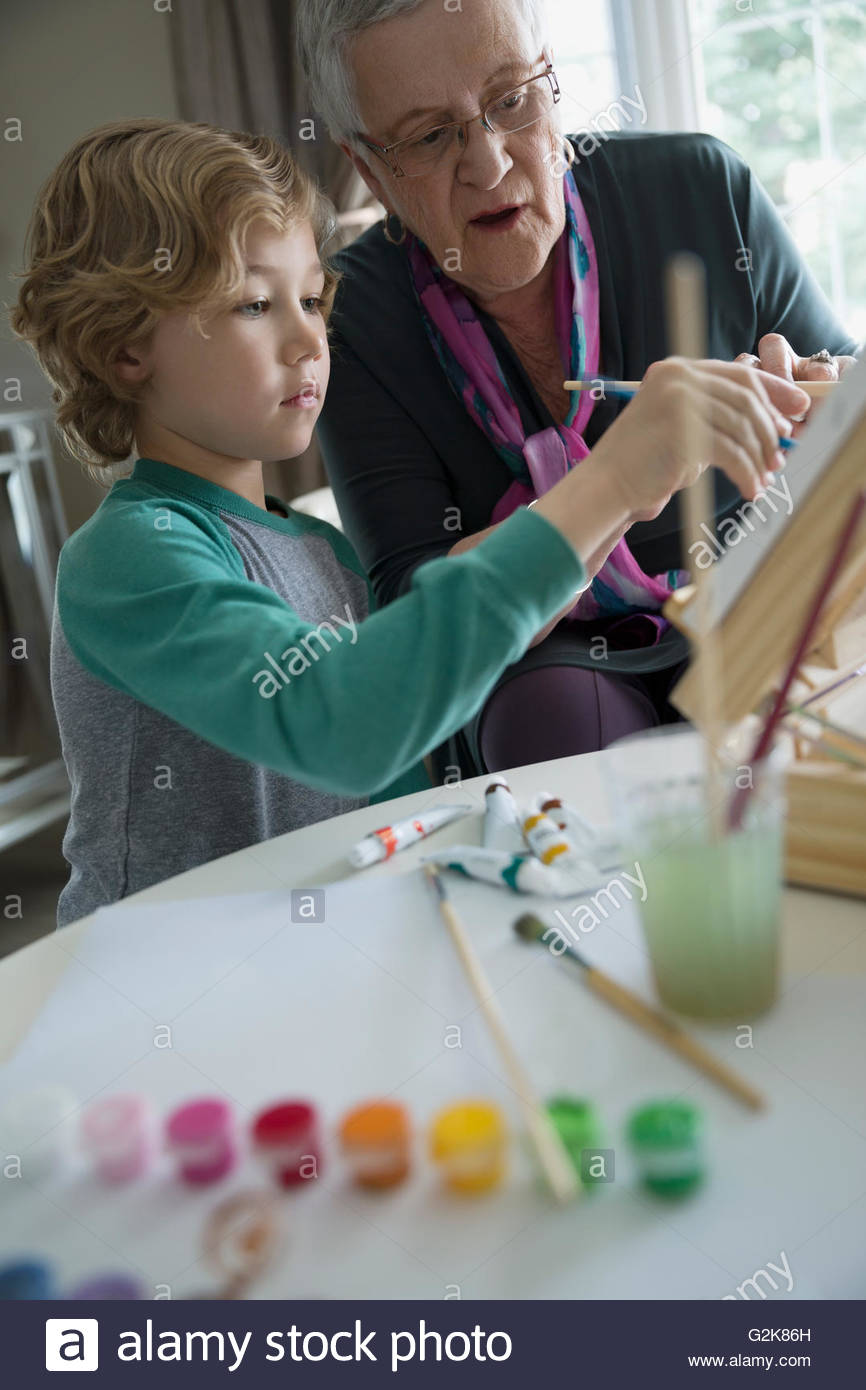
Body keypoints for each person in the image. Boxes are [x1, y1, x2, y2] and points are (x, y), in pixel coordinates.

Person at [10, 118, 800, 926]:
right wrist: (612, 477)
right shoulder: (131, 557)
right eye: (254, 302)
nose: (307, 341)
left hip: (299, 964)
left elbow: (416, 691)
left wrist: (648, 475)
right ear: (123, 347)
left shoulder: (318, 553)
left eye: (313, 300)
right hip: (153, 995)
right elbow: (346, 718)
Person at [298, 0, 859, 777]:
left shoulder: (702, 187)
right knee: (551, 716)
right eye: (430, 136)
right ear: (369, 170)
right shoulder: (350, 321)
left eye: (511, 100)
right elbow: (415, 620)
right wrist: (620, 478)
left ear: (554, 86)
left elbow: (852, 417)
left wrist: (823, 402)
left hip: (752, 604)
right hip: (551, 670)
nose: (489, 164)